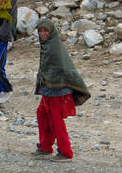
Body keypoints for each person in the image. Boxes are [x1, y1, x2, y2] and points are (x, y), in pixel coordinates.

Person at [33, 20, 90, 161]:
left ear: (51, 32)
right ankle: (45, 147)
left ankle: (66, 152)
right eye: (40, 31)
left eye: (46, 31)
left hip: (57, 89)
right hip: (49, 87)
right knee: (42, 114)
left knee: (55, 119)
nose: (43, 34)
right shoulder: (46, 45)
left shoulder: (54, 47)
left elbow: (61, 68)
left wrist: (46, 77)